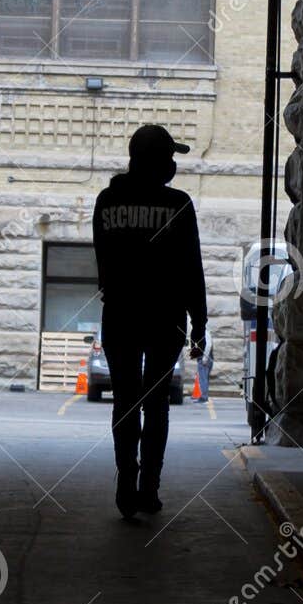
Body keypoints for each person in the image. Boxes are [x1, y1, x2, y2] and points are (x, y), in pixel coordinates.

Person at [92, 124, 207, 519]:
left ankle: (126, 483)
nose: (174, 165)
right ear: (158, 162)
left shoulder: (107, 201)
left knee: (124, 401)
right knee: (157, 404)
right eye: (170, 158)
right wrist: (200, 321)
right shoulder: (179, 205)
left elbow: (103, 261)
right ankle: (149, 489)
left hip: (120, 314)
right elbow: (192, 267)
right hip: (165, 317)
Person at [193, 327, 213, 402]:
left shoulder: (204, 333)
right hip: (205, 358)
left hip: (204, 359)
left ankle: (204, 397)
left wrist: (205, 358)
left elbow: (208, 345)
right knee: (204, 378)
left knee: (203, 379)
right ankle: (204, 395)